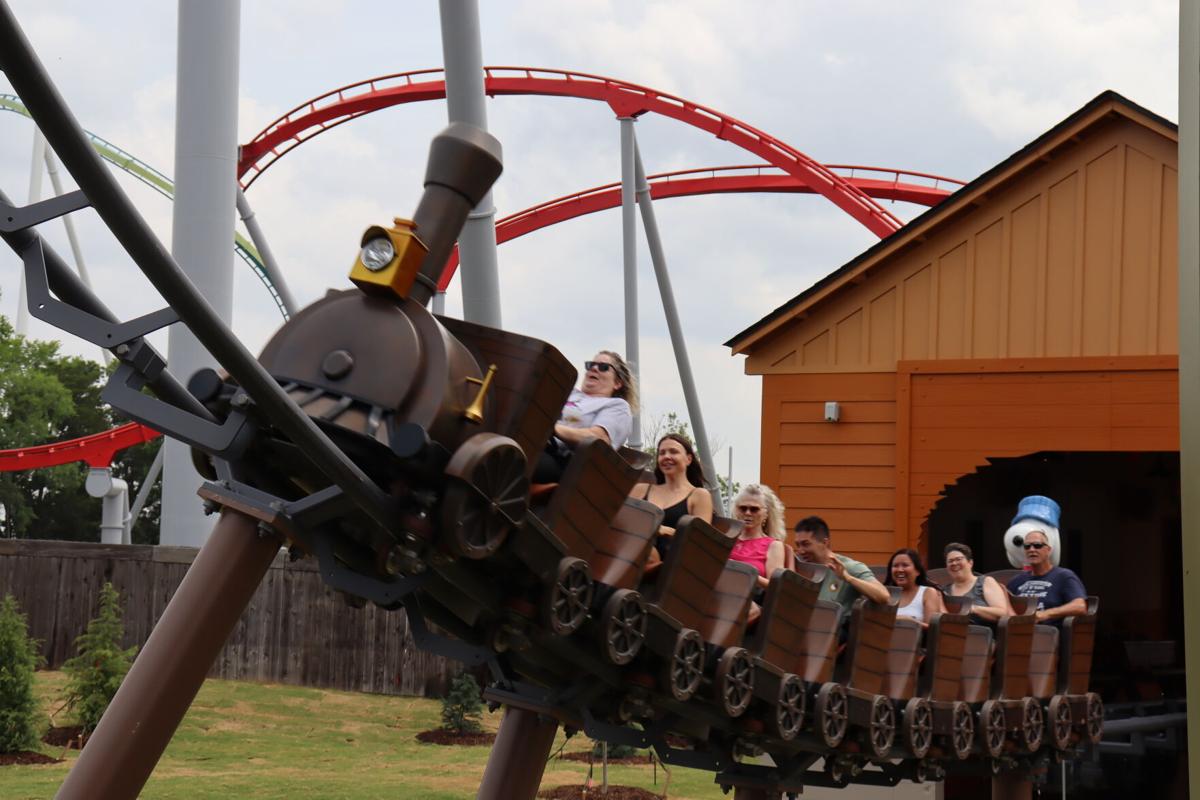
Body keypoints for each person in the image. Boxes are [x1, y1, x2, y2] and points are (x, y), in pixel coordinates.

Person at [532, 351, 637, 483]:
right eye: (590, 365)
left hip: (562, 462)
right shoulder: (569, 393)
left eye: (603, 367)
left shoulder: (617, 406)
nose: (594, 368)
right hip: (535, 443)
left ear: (617, 383)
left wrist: (554, 428)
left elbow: (599, 438)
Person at [634, 433, 714, 560]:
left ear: (688, 459)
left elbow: (700, 541)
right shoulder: (641, 490)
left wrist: (665, 531)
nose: (666, 457)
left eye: (673, 452)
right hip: (633, 556)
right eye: (662, 453)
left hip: (670, 565)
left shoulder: (699, 496)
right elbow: (622, 520)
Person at [794, 516, 890, 610]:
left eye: (806, 544)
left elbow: (884, 596)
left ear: (825, 543)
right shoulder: (800, 569)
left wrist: (848, 578)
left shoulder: (849, 567)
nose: (800, 551)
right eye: (797, 545)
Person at [1007, 528, 1087, 624]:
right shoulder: (1017, 580)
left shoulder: (1064, 576)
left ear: (1048, 550)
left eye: (1037, 545)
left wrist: (1046, 614)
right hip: (1019, 629)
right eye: (1027, 546)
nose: (1032, 549)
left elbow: (1080, 606)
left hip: (1047, 633)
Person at [727, 483, 787, 590]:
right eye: (743, 508)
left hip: (753, 599)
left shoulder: (773, 545)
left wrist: (745, 572)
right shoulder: (727, 538)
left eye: (754, 509)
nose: (748, 513)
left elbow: (775, 586)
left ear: (766, 513)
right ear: (736, 510)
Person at [941, 542, 1011, 624]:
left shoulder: (985, 582)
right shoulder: (944, 591)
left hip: (981, 633)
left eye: (958, 559)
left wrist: (972, 609)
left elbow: (1002, 613)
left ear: (970, 563)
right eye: (950, 561)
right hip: (952, 633)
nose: (954, 563)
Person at [884, 548, 943, 626]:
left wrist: (909, 621)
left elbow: (933, 629)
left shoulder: (928, 593)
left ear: (917, 571)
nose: (900, 569)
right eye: (895, 566)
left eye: (905, 565)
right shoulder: (885, 593)